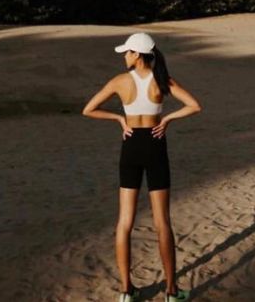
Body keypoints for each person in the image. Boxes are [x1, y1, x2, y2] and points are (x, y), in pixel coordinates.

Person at [82, 32, 202, 302]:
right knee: (162, 223)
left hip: (131, 145)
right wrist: (168, 118)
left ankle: (127, 291)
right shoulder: (162, 80)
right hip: (156, 144)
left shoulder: (120, 81)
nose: (125, 56)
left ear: (137, 54)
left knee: (124, 222)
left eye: (127, 52)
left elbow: (88, 109)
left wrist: (118, 119)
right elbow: (194, 106)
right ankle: (171, 292)